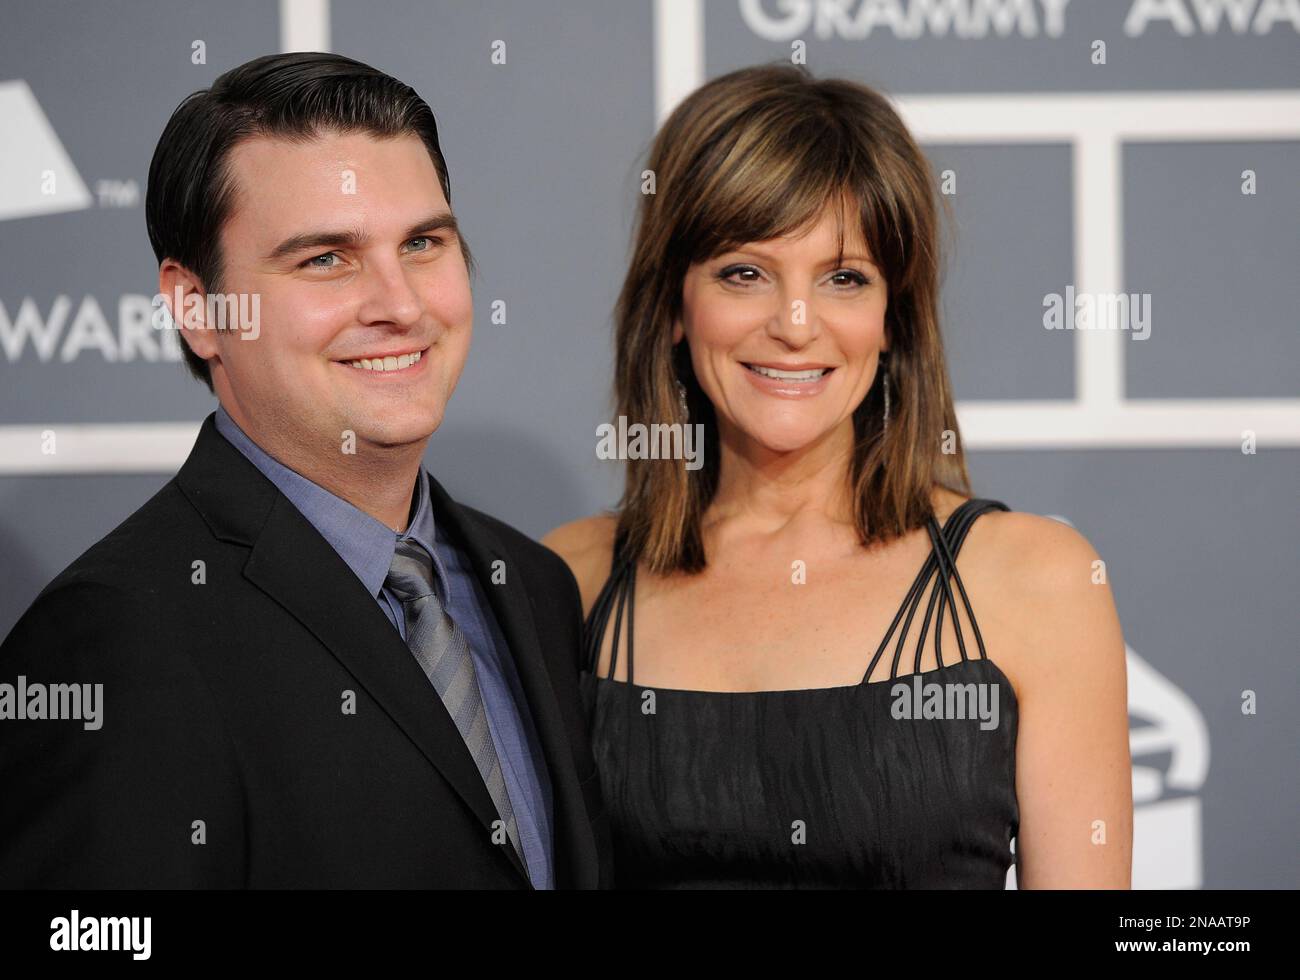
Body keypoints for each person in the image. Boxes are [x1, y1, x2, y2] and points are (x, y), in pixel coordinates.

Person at [0, 52, 609, 889]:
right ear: (198, 309)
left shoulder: (531, 586)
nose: (400, 304)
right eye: (327, 258)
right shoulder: (118, 640)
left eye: (424, 243)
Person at [544, 65, 1132, 889]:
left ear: (893, 316)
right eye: (744, 272)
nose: (793, 325)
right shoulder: (568, 582)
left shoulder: (1036, 581)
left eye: (843, 278)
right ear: (676, 306)